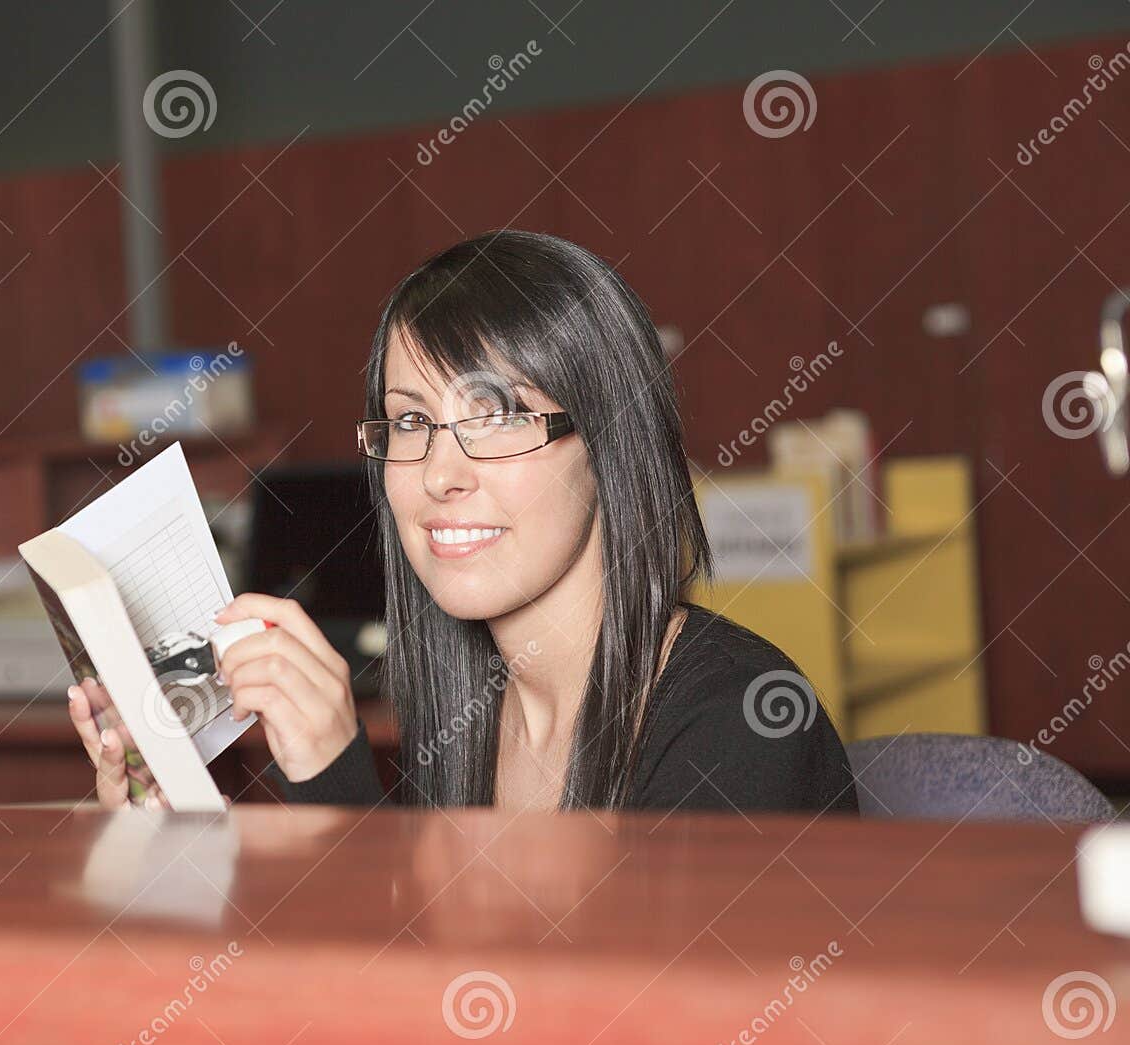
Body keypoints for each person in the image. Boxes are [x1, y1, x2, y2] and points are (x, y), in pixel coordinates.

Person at [69, 229, 857, 815]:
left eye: (499, 417)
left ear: (610, 441)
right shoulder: (464, 709)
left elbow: (599, 1030)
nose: (440, 475)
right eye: (409, 424)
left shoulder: (741, 723)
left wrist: (335, 779)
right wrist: (174, 846)